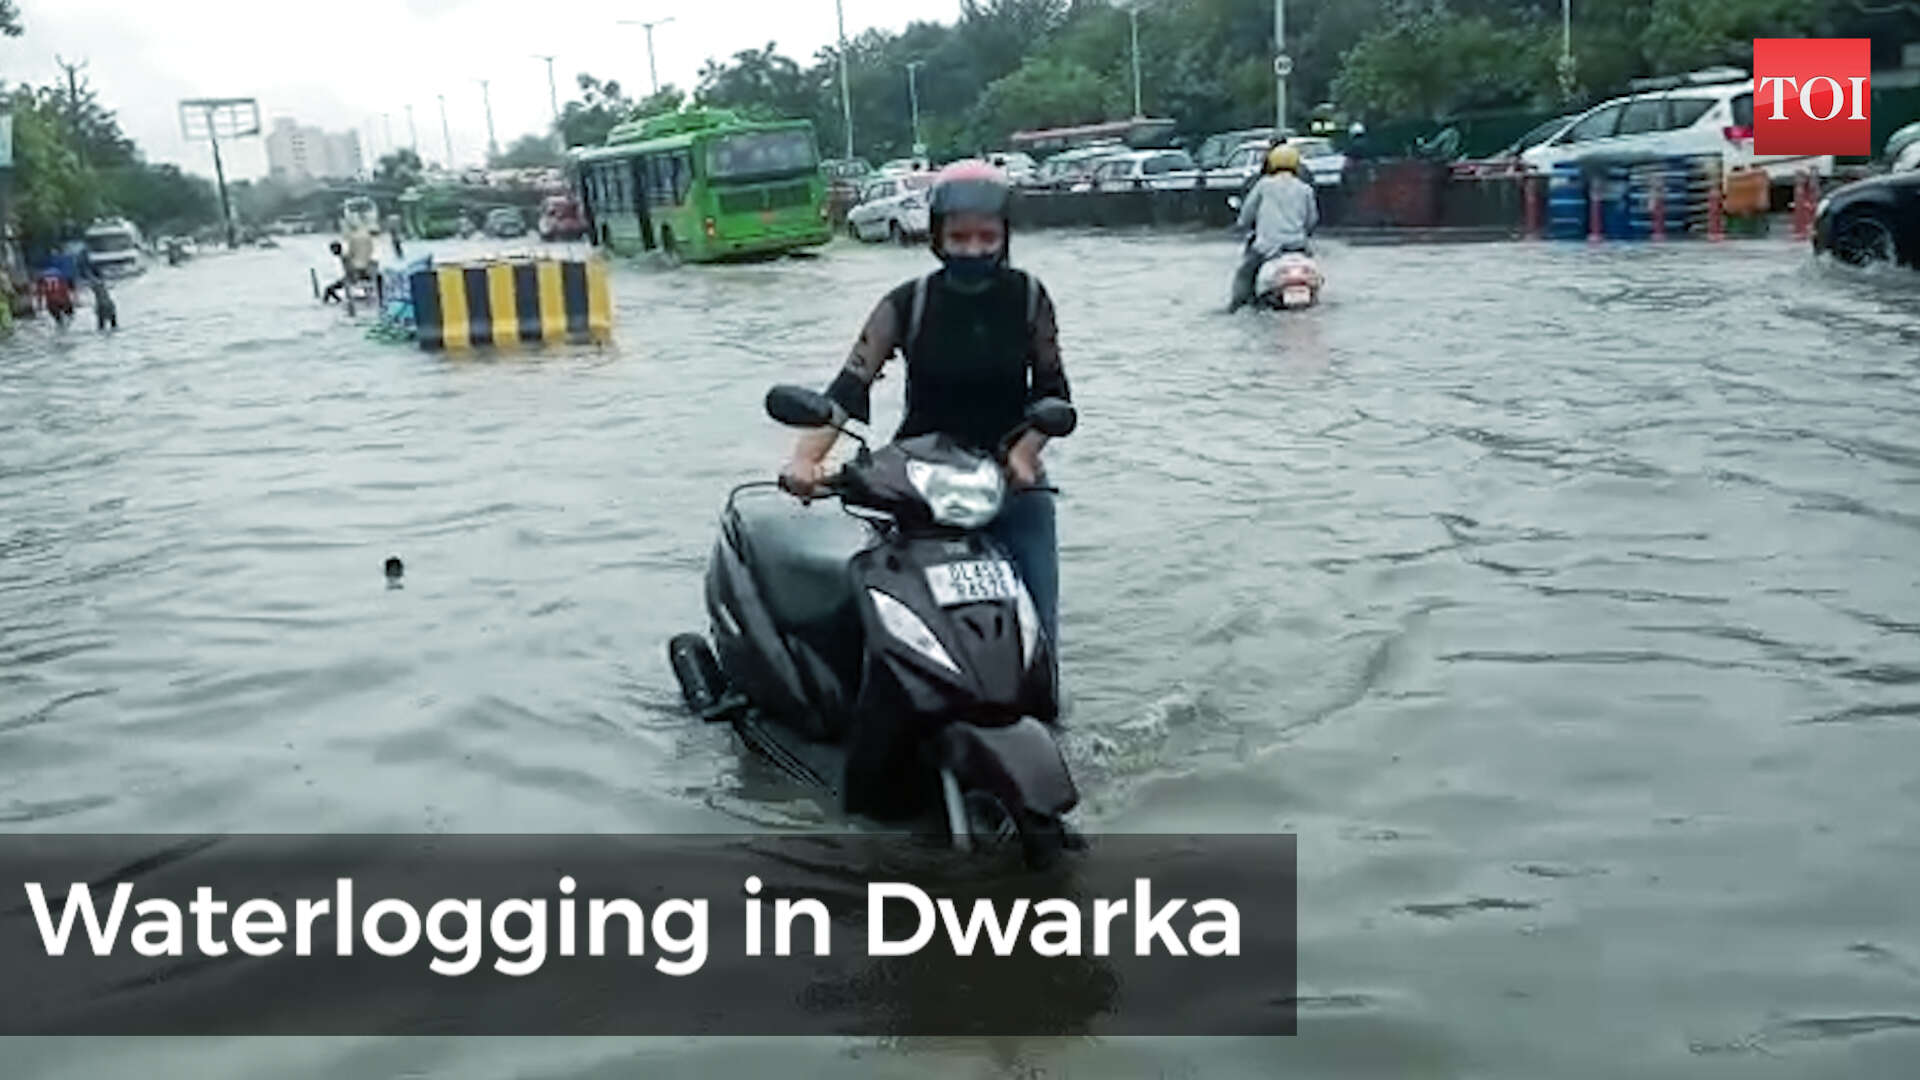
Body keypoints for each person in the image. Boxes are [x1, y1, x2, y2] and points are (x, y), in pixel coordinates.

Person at [778, 160, 1073, 812]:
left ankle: (1045, 762)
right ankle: (874, 760)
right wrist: (804, 462)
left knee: (1038, 657)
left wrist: (1025, 455)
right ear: (937, 236)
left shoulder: (1029, 299)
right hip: (915, 493)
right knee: (892, 636)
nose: (974, 251)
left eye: (986, 239)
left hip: (1008, 489)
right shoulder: (906, 304)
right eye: (960, 238)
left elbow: (1053, 395)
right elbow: (849, 390)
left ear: (1004, 237)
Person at [1227, 144, 1320, 312]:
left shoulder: (1263, 185)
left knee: (1244, 275)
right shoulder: (1305, 189)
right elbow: (1312, 220)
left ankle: (1235, 307)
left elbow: (1247, 214)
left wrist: (1241, 224)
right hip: (1298, 247)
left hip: (1267, 248)